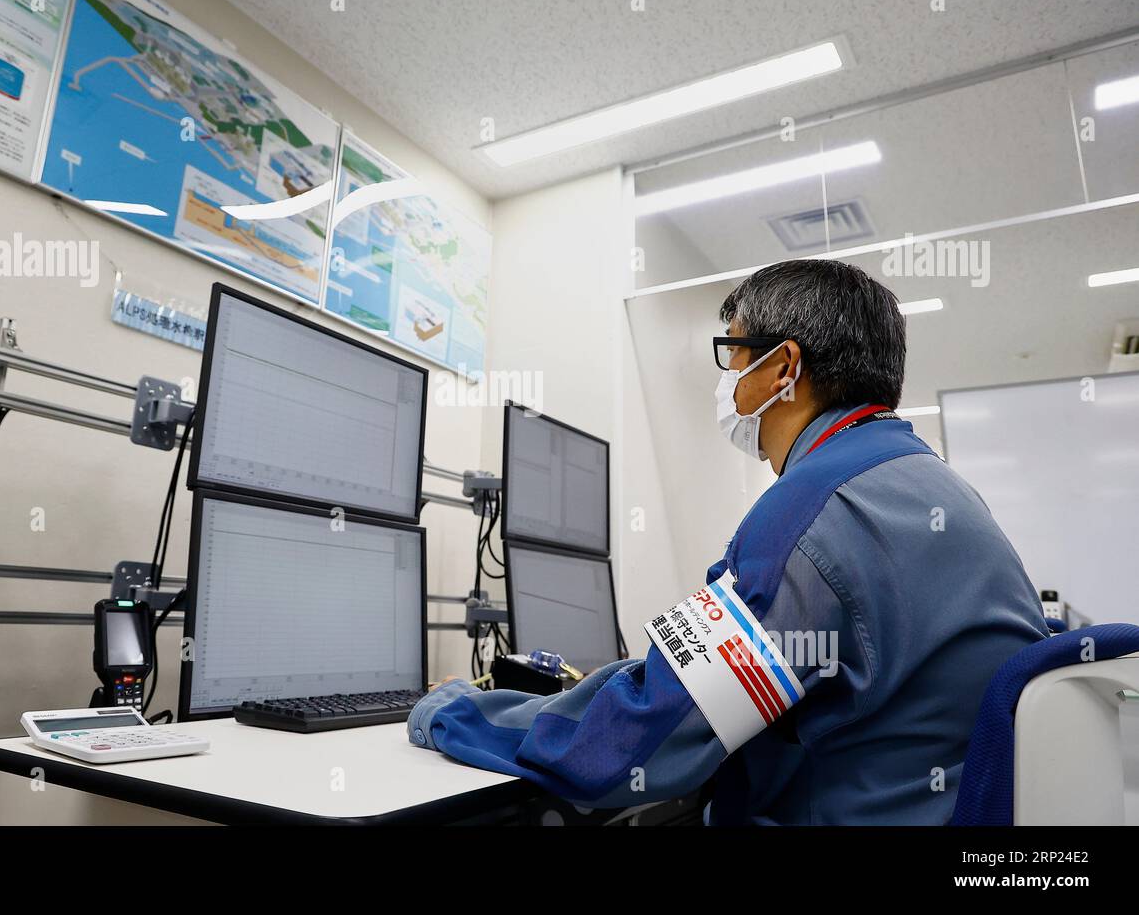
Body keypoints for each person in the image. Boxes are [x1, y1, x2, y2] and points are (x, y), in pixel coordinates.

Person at [407, 259, 1048, 824]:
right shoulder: (934, 487)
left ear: (783, 370)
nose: (727, 375)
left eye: (734, 354)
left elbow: (642, 739)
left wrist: (458, 711)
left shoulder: (814, 510)